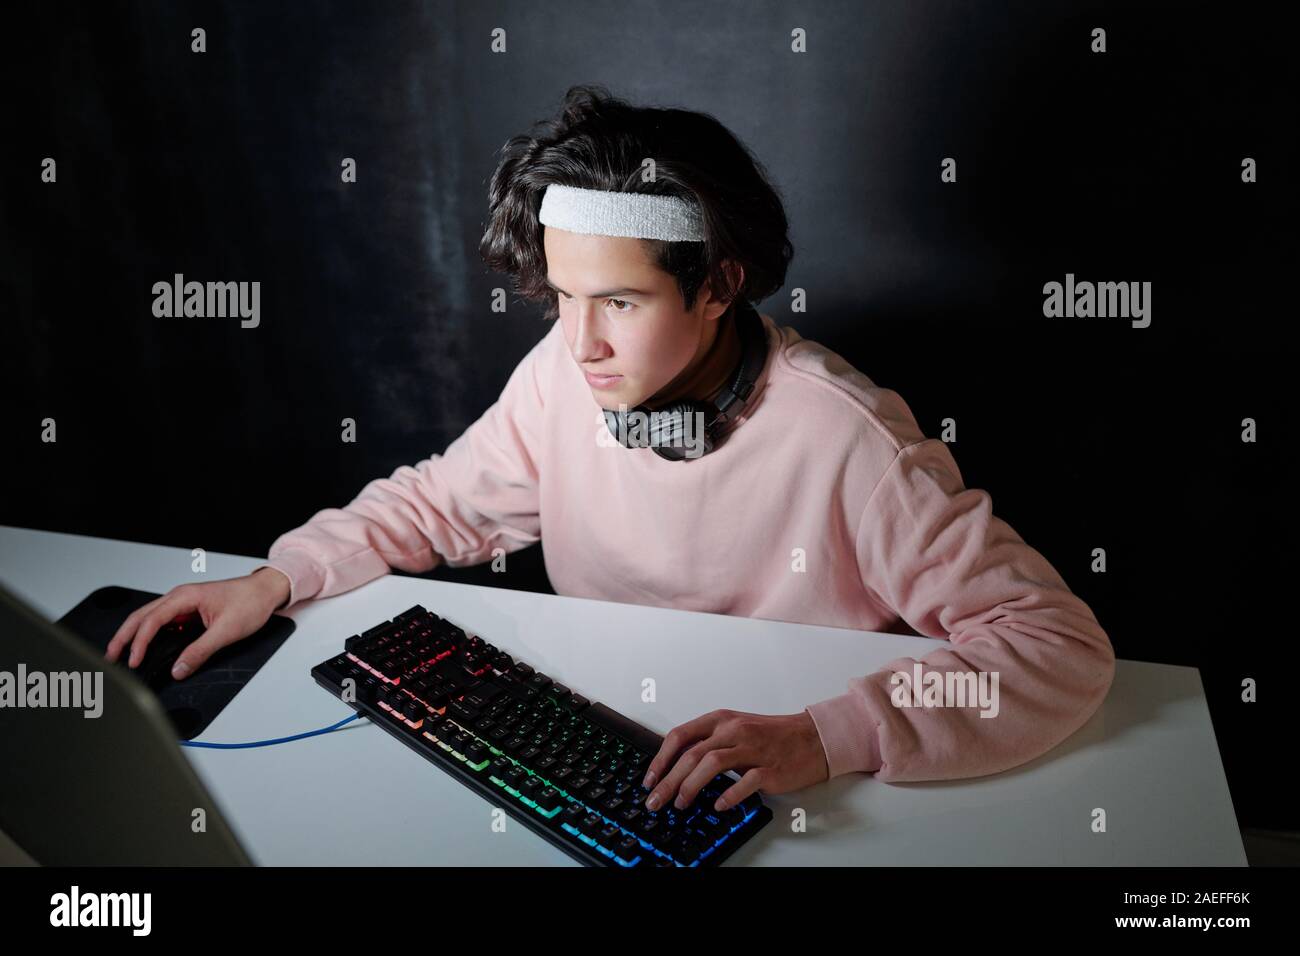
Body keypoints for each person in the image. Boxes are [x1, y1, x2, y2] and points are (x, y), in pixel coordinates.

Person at [107, 84, 1114, 816]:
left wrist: (829, 733)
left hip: (783, 788)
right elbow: (436, 505)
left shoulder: (846, 436)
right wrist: (277, 577)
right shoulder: (567, 367)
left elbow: (1058, 647)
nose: (579, 342)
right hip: (602, 748)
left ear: (718, 286)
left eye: (620, 303)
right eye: (564, 297)